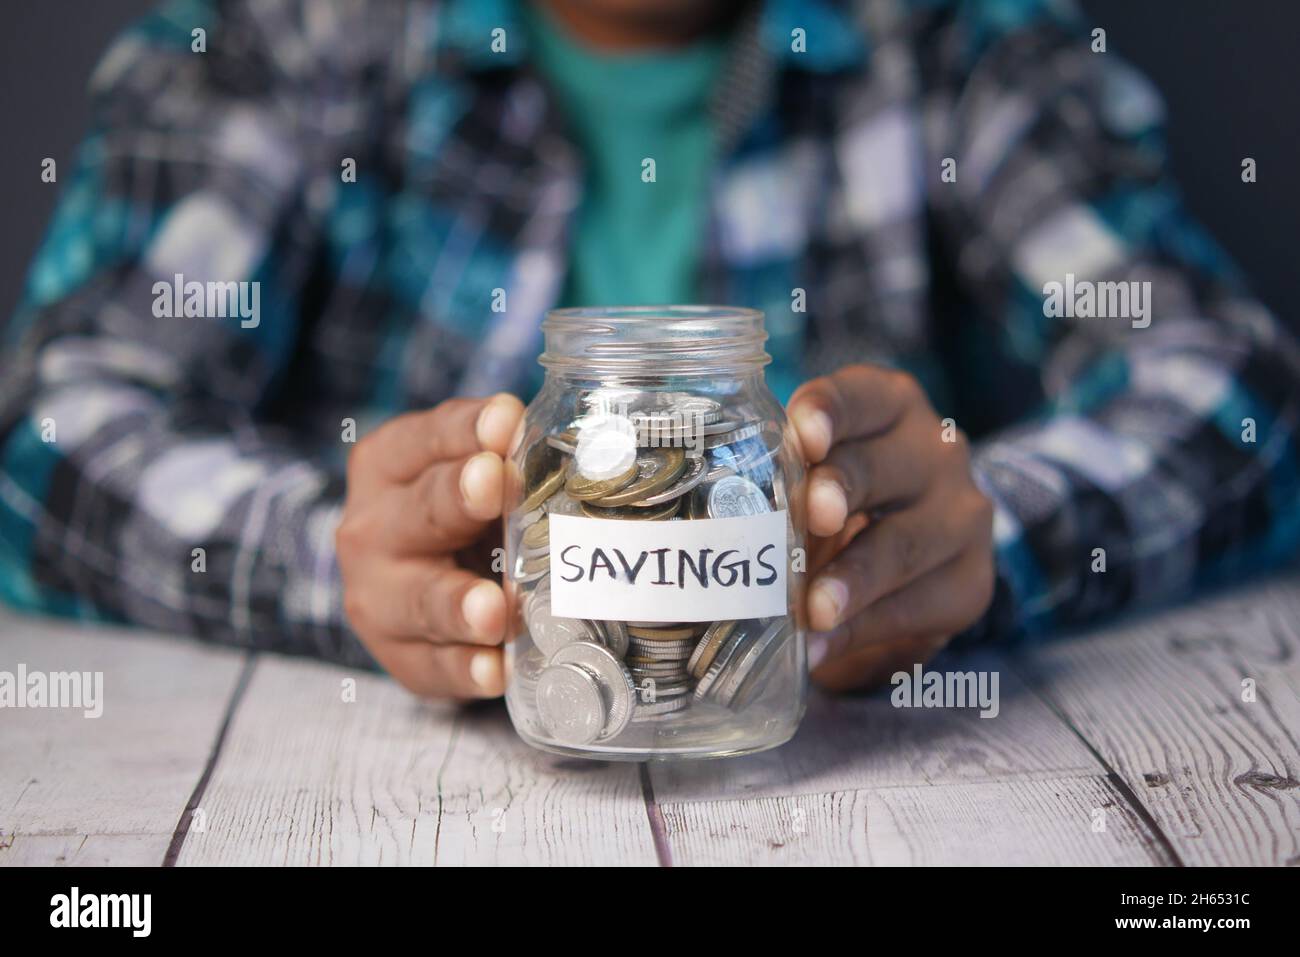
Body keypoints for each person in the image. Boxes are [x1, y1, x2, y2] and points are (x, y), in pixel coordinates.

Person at [2, 0, 1297, 701]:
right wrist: (337, 558)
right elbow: (49, 426)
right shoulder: (285, 35)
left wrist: (978, 540)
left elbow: (1243, 394)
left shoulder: (953, 42)